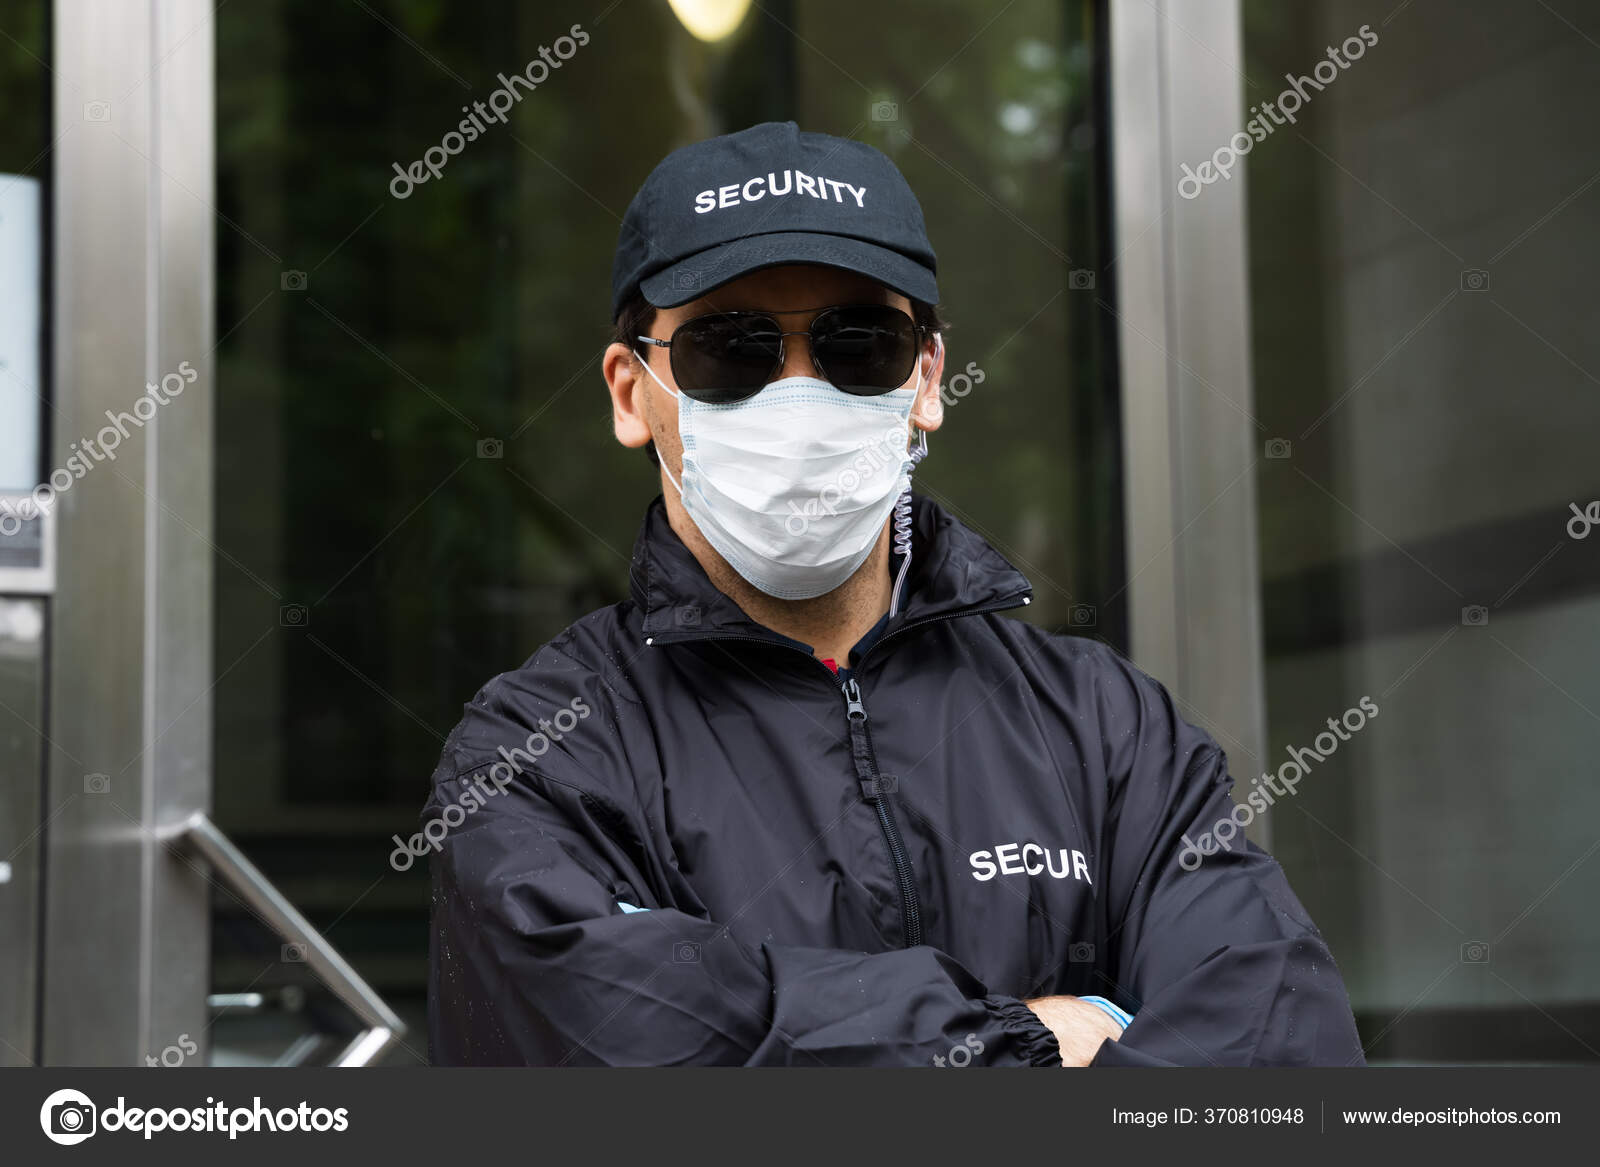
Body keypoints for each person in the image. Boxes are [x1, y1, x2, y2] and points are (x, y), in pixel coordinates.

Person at [424, 121, 1363, 1067]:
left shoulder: (1108, 730)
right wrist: (1037, 1037)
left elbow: (1284, 1046)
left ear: (926, 379)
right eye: (731, 347)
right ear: (633, 392)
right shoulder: (541, 755)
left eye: (858, 342)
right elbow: (612, 1058)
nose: (798, 392)